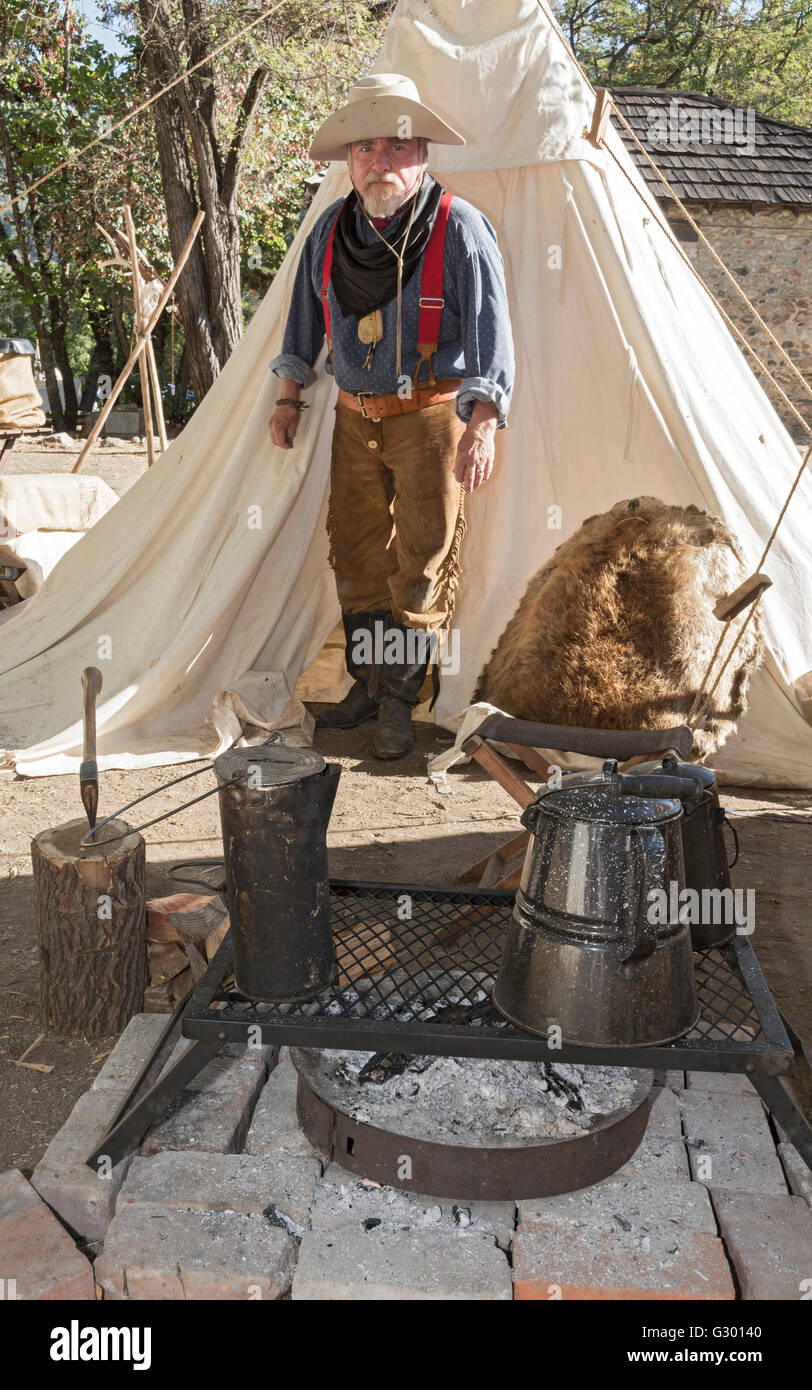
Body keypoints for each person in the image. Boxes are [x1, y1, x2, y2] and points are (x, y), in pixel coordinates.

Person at [269, 73, 514, 759]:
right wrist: (289, 396)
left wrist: (484, 421)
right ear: (351, 161)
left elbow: (494, 334)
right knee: (355, 554)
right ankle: (368, 682)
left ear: (423, 155)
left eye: (395, 147)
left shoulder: (459, 228)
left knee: (421, 562)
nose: (378, 161)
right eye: (365, 148)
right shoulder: (331, 229)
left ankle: (403, 698)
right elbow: (301, 326)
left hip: (432, 417)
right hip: (353, 417)